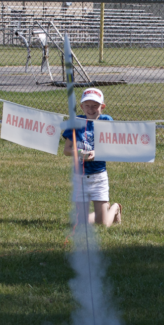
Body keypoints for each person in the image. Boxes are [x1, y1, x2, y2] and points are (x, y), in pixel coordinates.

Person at [62, 87, 122, 227]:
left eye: (95, 105)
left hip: (98, 176)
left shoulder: (106, 121)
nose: (91, 109)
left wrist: (97, 153)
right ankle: (104, 210)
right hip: (80, 177)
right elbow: (66, 150)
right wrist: (80, 153)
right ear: (82, 106)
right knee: (79, 223)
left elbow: (113, 146)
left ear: (102, 106)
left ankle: (115, 208)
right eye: (87, 105)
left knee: (102, 224)